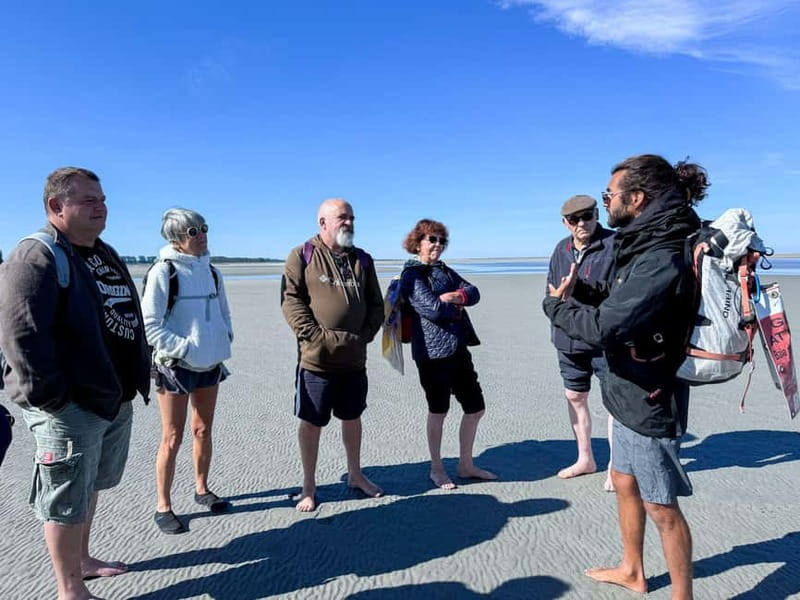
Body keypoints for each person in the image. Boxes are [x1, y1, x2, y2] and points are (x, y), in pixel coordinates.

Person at [543, 154, 705, 598]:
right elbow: (618, 307)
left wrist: (556, 305)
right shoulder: (641, 242)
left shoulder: (661, 253)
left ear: (636, 198)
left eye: (608, 196)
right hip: (626, 389)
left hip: (651, 396)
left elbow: (604, 326)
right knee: (627, 483)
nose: (606, 202)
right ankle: (633, 569)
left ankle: (682, 595)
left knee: (661, 505)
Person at [0, 167, 151, 600]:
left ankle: (83, 561)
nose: (100, 206)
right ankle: (70, 589)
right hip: (70, 407)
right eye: (87, 199)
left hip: (111, 398)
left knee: (88, 487)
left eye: (101, 197)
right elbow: (19, 337)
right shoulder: (37, 256)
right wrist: (55, 402)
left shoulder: (104, 253)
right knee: (65, 497)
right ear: (55, 206)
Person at [281, 198, 384, 512]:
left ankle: (355, 474)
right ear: (322, 222)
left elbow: (376, 305)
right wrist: (318, 338)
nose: (349, 223)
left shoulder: (363, 260)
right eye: (342, 217)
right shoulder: (302, 255)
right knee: (312, 422)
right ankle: (309, 486)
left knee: (352, 418)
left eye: (352, 217)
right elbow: (291, 302)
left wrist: (363, 337)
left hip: (354, 360)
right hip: (317, 362)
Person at [141, 208, 234, 534]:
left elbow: (223, 312)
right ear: (176, 239)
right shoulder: (164, 272)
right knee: (172, 437)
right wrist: (185, 349)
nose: (201, 235)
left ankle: (202, 488)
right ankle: (163, 505)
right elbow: (150, 326)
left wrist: (224, 339)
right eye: (193, 231)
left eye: (203, 228)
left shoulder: (213, 272)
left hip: (211, 363)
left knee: (203, 430)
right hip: (175, 367)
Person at [400, 219, 496, 490]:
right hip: (431, 354)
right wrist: (453, 305)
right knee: (438, 411)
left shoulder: (445, 271)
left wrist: (455, 297)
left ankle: (466, 464)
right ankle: (437, 468)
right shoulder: (412, 275)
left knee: (476, 408)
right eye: (432, 239)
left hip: (458, 348)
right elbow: (431, 309)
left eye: (442, 241)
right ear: (418, 242)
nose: (437, 245)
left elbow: (473, 292)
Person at [546, 195, 615, 489]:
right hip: (568, 338)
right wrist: (560, 295)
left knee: (615, 403)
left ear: (596, 215)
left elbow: (625, 292)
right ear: (565, 223)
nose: (581, 224)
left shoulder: (615, 245)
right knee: (575, 397)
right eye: (574, 220)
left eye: (586, 216)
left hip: (604, 338)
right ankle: (585, 458)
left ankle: (618, 466)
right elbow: (550, 292)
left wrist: (582, 288)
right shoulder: (561, 250)